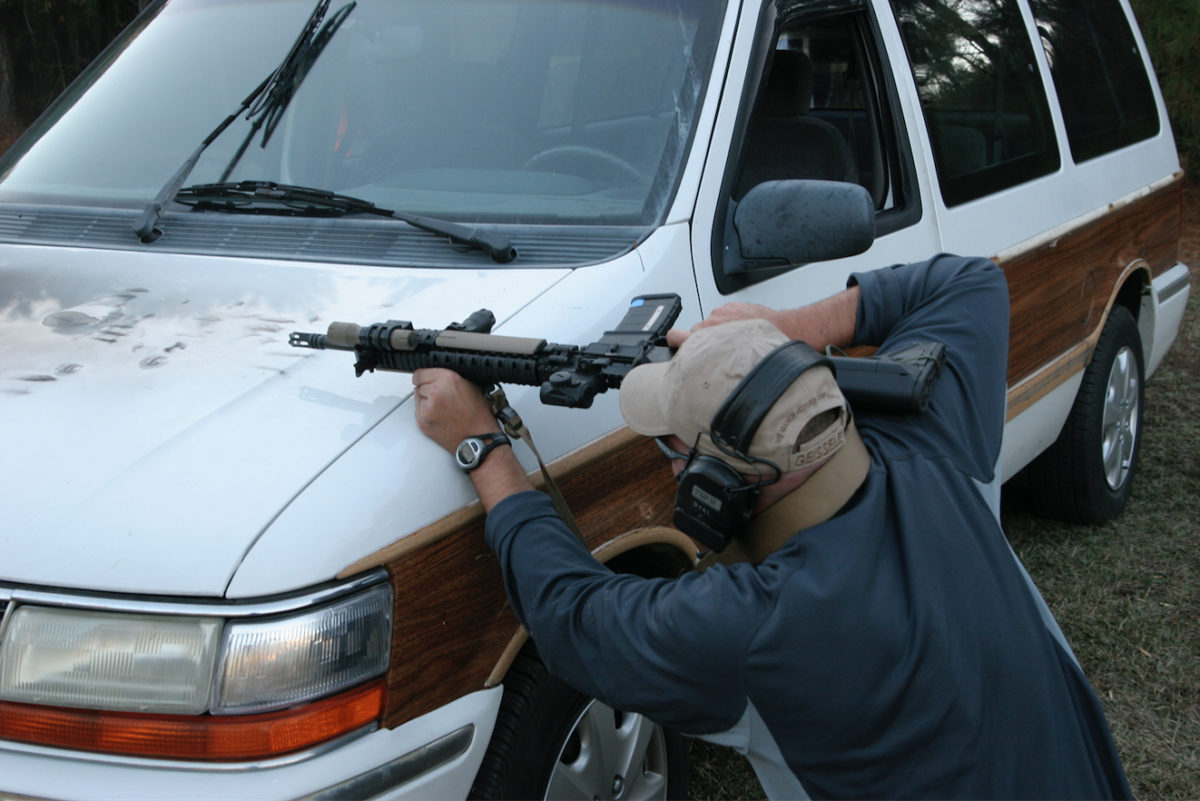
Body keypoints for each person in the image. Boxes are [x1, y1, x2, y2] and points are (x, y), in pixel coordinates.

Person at [412, 254, 1132, 799]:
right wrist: (777, 335)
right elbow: (971, 283)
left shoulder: (757, 631)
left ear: (720, 490)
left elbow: (572, 619)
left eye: (672, 450)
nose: (666, 466)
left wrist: (481, 446)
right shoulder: (936, 446)